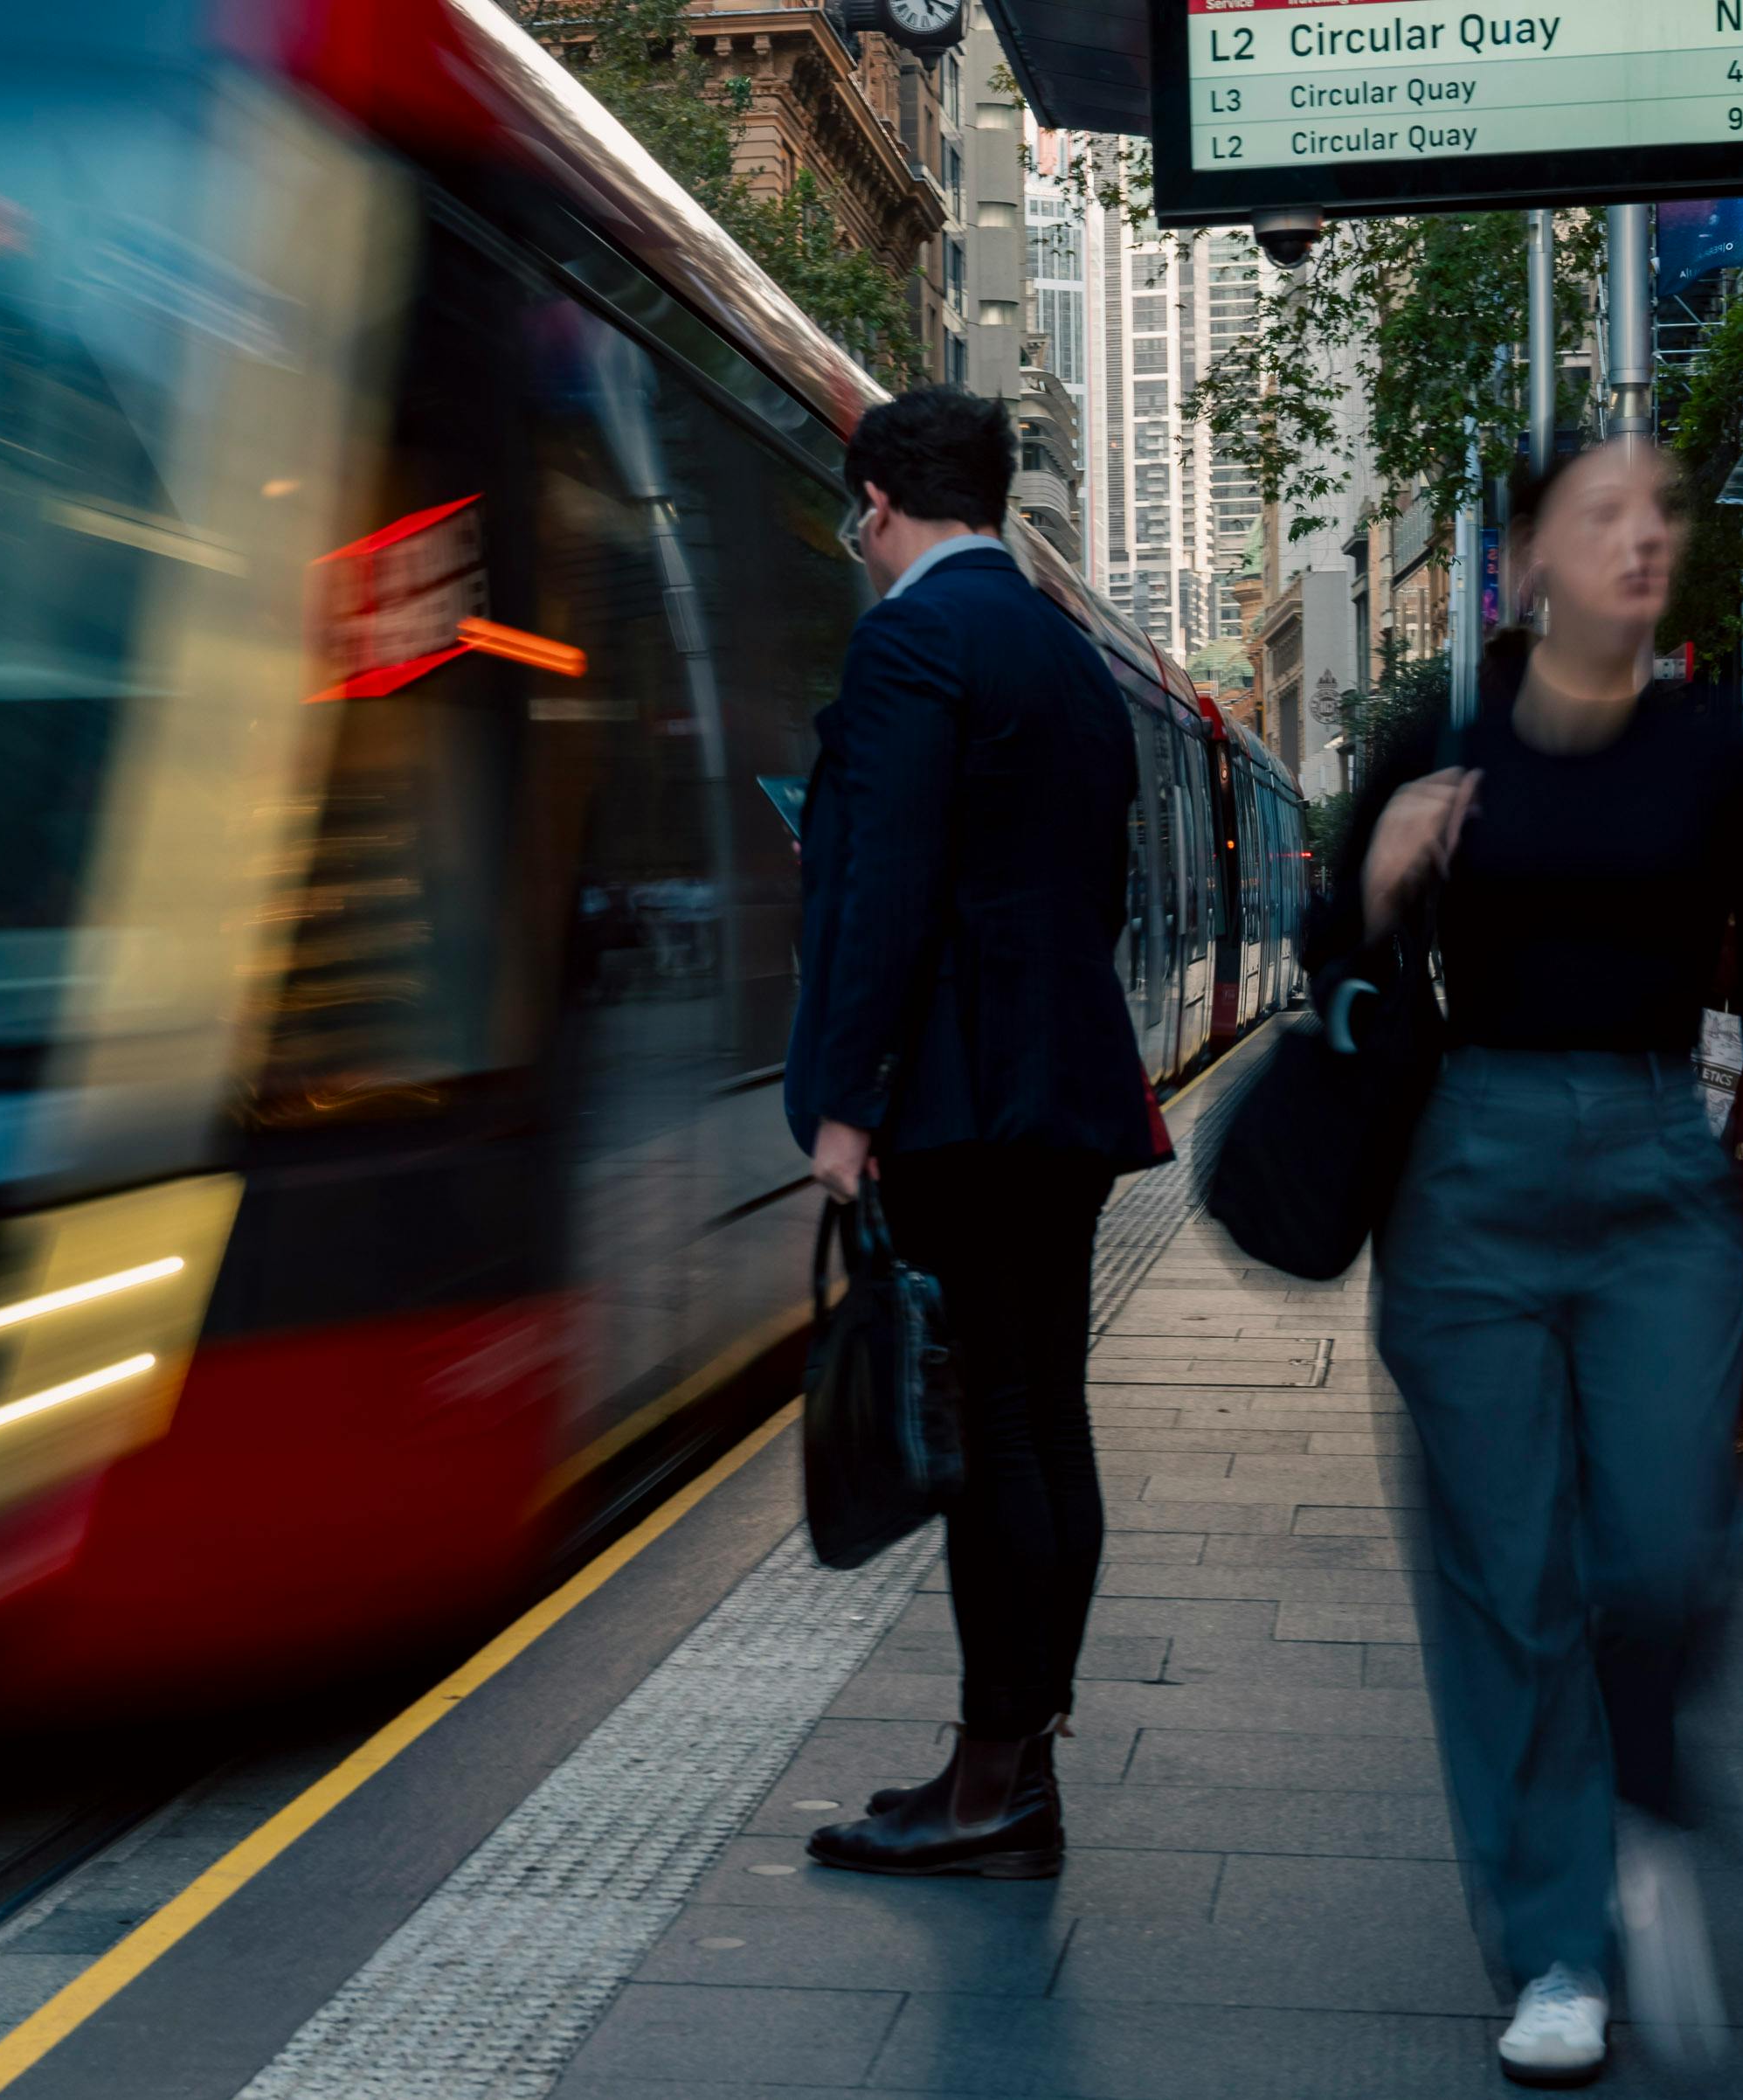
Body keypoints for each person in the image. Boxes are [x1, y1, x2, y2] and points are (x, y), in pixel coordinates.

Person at [1317, 437, 1743, 2085]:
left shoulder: (1724, 758)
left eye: (1662, 511)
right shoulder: (1440, 739)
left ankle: (1645, 1785)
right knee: (1506, 1584)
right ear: (1527, 550)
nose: (1643, 537)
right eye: (1603, 511)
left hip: (1658, 1169)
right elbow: (1332, 958)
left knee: (1664, 1547)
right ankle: (1558, 1941)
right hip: (1468, 1169)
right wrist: (1384, 879)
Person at [783, 385, 1161, 1879]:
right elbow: (1099, 887)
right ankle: (1012, 1758)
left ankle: (994, 1781)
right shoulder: (1066, 657)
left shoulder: (909, 642)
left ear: (877, 500)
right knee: (1043, 1419)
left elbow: (880, 885)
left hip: (956, 1098)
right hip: (1063, 1091)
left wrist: (844, 1097)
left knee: (989, 1431)